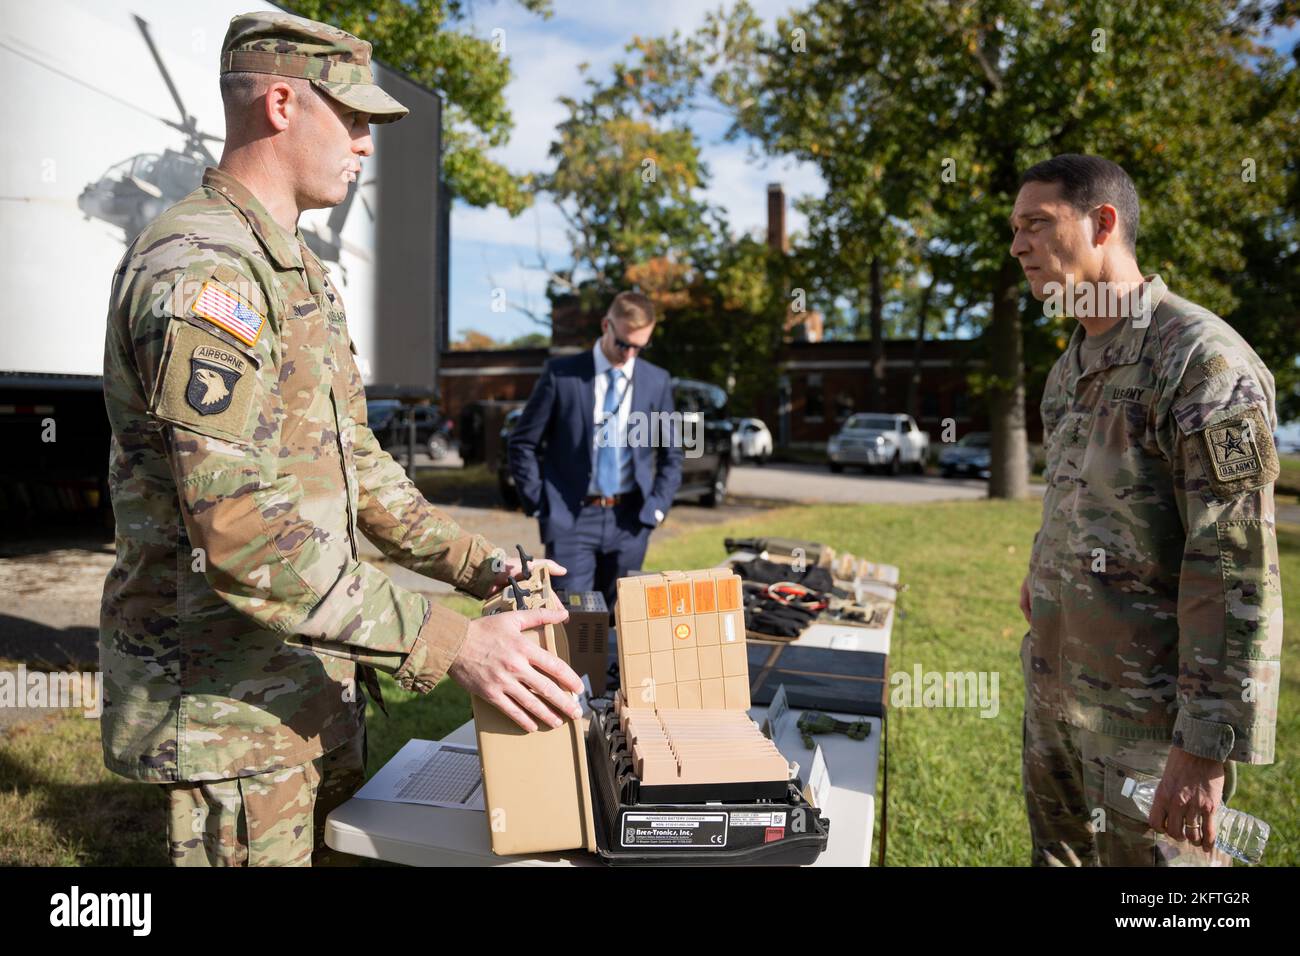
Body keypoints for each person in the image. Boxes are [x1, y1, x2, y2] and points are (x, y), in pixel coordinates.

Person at [99, 11, 579, 867]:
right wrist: (454, 643)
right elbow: (239, 531)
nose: (365, 144)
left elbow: (356, 466)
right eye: (352, 118)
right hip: (230, 719)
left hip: (311, 686)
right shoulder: (204, 269)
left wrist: (484, 568)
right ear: (282, 104)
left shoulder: (294, 267)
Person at [1011, 154, 1282, 866]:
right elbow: (1083, 501)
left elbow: (1235, 569)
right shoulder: (1068, 367)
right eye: (1014, 229)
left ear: (1103, 224)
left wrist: (1204, 749)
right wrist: (1047, 568)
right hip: (1057, 697)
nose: (1017, 246)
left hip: (1149, 727)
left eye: (1036, 224)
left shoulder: (1201, 362)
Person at [508, 293, 684, 613]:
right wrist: (539, 503)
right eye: (623, 343)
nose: (629, 354)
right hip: (571, 519)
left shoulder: (656, 381)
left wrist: (655, 510)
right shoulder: (561, 374)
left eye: (639, 347)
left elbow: (673, 453)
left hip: (630, 520)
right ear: (606, 325)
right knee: (571, 622)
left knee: (621, 621)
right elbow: (522, 443)